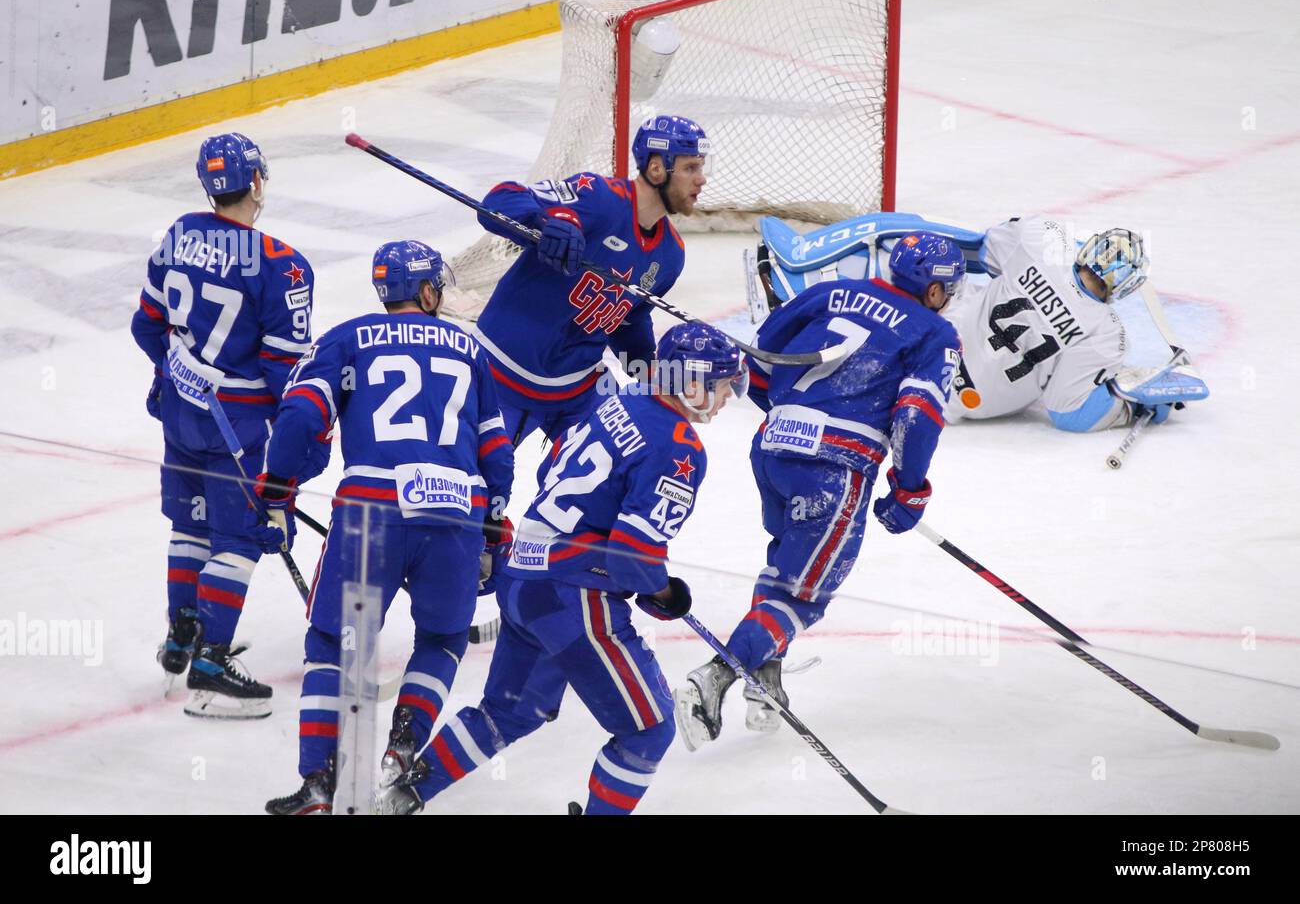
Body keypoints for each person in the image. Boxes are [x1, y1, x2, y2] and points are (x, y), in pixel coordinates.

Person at [375, 322, 745, 815]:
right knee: (649, 729)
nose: (726, 400)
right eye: (723, 387)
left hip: (524, 577)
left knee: (509, 711)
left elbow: (552, 473)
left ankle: (401, 795)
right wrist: (665, 592)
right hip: (574, 598)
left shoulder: (617, 402)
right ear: (694, 384)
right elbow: (632, 558)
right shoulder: (680, 446)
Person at [676, 233, 964, 748]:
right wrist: (910, 489)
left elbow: (761, 363)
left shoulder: (827, 293)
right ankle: (712, 679)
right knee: (802, 593)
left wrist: (792, 420)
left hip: (772, 448)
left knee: (786, 565)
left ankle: (765, 683)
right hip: (834, 466)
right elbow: (916, 415)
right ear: (937, 291)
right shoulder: (934, 332)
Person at [260, 241, 515, 815]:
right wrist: (493, 525)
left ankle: (319, 785)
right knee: (443, 638)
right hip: (455, 516)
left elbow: (300, 416)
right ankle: (403, 747)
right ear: (428, 291)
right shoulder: (471, 350)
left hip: (370, 515)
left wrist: (278, 487)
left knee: (332, 641)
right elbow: (497, 451)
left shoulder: (346, 338)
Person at [130, 132, 314, 718]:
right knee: (236, 540)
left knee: (191, 526)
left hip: (181, 414)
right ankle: (211, 664)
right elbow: (285, 375)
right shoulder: (283, 266)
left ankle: (182, 635)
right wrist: (303, 449)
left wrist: (179, 370)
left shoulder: (180, 234)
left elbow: (146, 326)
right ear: (256, 181)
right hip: (239, 427)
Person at [745, 212, 1205, 431]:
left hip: (940, 337)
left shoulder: (1041, 240)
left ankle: (804, 279)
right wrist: (1134, 407)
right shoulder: (1108, 336)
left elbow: (982, 249)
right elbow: (1069, 412)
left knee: (932, 260)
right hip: (966, 401)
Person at [472, 114, 710, 447]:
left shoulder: (670, 255)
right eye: (690, 168)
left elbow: (628, 323)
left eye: (701, 168)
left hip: (579, 387)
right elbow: (497, 202)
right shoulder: (598, 197)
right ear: (656, 169)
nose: (701, 180)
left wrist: (652, 373)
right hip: (501, 373)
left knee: (636, 455)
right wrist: (545, 221)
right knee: (475, 488)